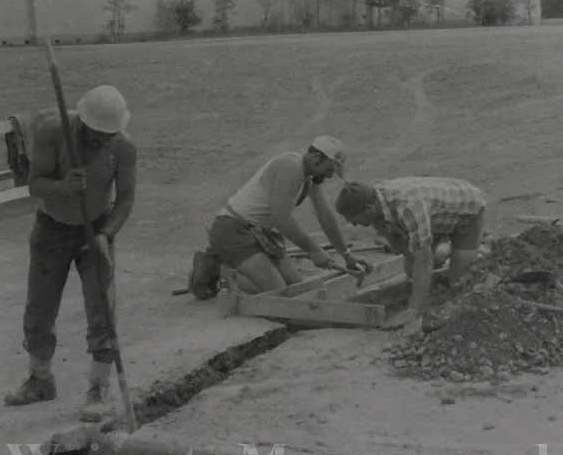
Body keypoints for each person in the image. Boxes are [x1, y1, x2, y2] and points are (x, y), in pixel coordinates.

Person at [4, 85, 137, 424]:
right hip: (52, 229)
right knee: (40, 305)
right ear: (82, 124)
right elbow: (34, 184)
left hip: (97, 229)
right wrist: (63, 187)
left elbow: (125, 198)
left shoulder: (123, 146)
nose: (100, 141)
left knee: (102, 308)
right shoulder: (53, 131)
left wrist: (107, 236)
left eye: (107, 135)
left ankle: (98, 387)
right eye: (94, 134)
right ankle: (40, 380)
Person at [191, 136, 369, 297]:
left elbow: (325, 215)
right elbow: (281, 219)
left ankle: (233, 264)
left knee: (297, 288)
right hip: (232, 231)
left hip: (261, 233)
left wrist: (347, 255)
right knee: (279, 293)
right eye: (329, 169)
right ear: (316, 158)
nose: (330, 176)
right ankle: (220, 268)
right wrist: (314, 250)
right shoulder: (291, 167)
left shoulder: (311, 177)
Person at [334, 177, 488, 331]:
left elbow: (424, 262)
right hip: (435, 219)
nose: (353, 224)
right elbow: (397, 241)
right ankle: (444, 249)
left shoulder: (408, 207)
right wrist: (415, 261)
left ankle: (468, 251)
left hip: (467, 210)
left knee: (457, 285)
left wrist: (413, 311)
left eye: (354, 219)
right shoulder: (376, 205)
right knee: (412, 269)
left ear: (368, 209)